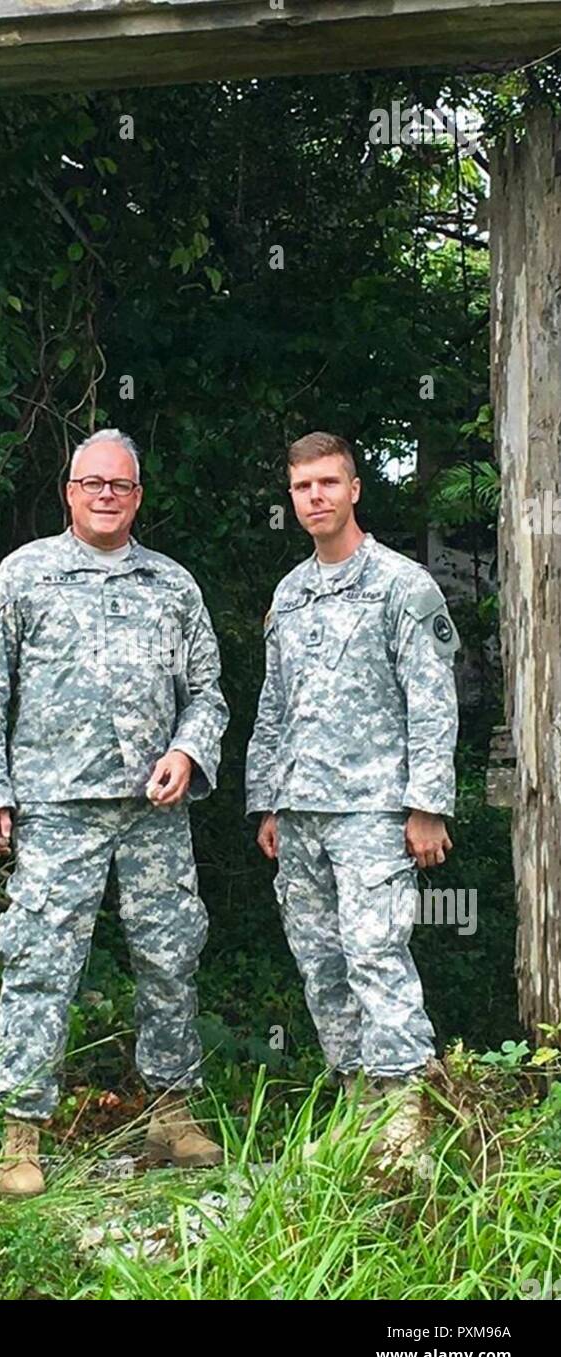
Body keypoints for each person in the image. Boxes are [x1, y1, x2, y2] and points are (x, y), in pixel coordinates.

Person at [0, 428, 229, 1196]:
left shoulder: (173, 586)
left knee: (172, 957)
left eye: (120, 484)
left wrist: (187, 750)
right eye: (91, 484)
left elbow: (208, 693)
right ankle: (20, 1135)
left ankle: (171, 1115)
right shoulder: (24, 575)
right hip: (54, 806)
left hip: (153, 809)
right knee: (41, 963)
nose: (105, 494)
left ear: (138, 496)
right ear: (69, 492)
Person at [245, 431, 460, 1164]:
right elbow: (274, 705)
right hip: (301, 814)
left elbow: (433, 701)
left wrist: (426, 804)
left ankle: (407, 1110)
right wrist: (267, 801)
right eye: (303, 487)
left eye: (328, 483)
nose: (315, 498)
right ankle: (357, 1103)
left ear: (355, 488)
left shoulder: (403, 585)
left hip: (373, 810)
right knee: (321, 964)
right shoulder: (290, 593)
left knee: (375, 953)